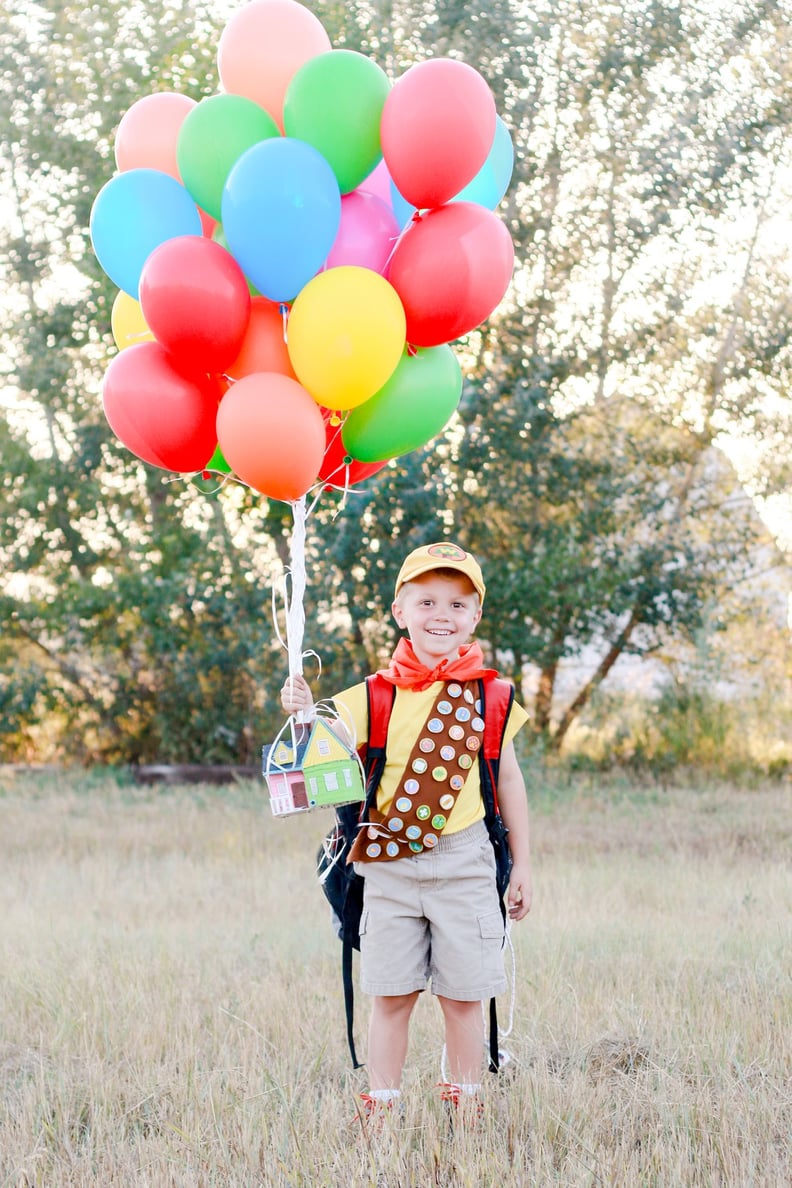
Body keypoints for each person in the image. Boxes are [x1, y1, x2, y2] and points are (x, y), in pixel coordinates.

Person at [281, 541, 532, 1123]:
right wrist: (302, 712)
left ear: (475, 616)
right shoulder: (372, 695)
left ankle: (465, 1105)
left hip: (466, 862)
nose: (441, 615)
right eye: (426, 602)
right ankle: (382, 1108)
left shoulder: (491, 695)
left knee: (464, 996)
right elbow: (321, 757)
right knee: (391, 994)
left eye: (457, 604)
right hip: (388, 864)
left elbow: (510, 781)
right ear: (400, 611)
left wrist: (523, 864)